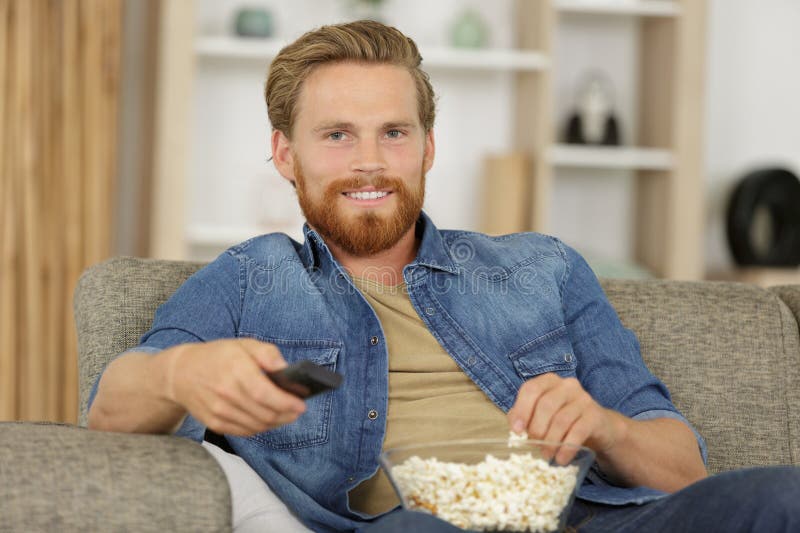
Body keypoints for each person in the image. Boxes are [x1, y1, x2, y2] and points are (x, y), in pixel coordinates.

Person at [88, 20, 799, 533]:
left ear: (429, 147)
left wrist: (606, 426)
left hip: (589, 519)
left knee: (783, 498)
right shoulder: (251, 279)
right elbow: (108, 412)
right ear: (285, 154)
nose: (370, 161)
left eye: (394, 133)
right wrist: (180, 374)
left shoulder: (543, 267)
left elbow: (686, 471)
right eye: (337, 135)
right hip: (409, 527)